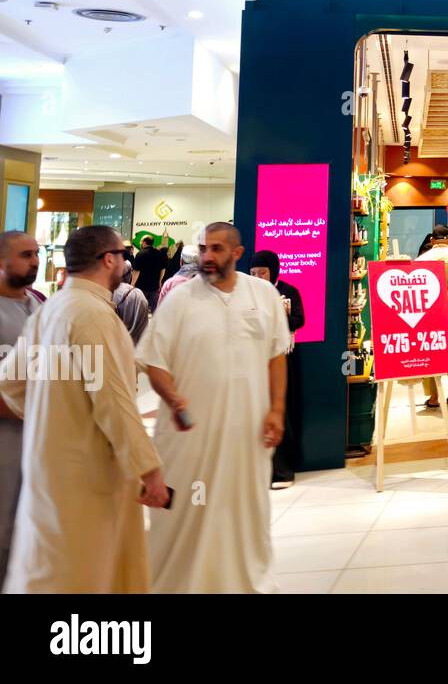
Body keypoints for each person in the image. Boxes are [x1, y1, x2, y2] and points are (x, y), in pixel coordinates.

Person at [0, 226, 168, 593]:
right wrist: (149, 468)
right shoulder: (90, 315)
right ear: (109, 259)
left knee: (50, 566)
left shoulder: (52, 308)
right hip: (88, 474)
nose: (125, 263)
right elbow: (114, 401)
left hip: (51, 466)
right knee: (85, 575)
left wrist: (55, 415)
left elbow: (10, 383)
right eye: (122, 255)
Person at [137, 223, 290, 593]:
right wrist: (173, 399)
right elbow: (153, 359)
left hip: (246, 433)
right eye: (204, 248)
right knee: (189, 512)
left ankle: (243, 582)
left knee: (244, 512)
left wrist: (276, 410)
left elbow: (275, 355)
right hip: (190, 437)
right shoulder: (180, 299)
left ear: (236, 253)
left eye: (217, 249)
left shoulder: (263, 295)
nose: (207, 256)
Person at [0, 231, 42, 584]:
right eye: (26, 255)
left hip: (35, 444)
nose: (35, 261)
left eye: (37, 253)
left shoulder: (39, 307)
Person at [250, 250, 305, 489]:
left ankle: (283, 471)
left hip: (283, 360)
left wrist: (280, 316)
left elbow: (300, 320)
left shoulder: (289, 291)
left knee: (282, 414)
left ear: (274, 270)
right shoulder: (247, 294)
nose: (258, 277)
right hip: (253, 362)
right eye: (253, 273)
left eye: (262, 272)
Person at [418, 225, 448, 414]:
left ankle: (433, 397)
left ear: (432, 240)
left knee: (431, 349)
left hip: (429, 312)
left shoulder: (421, 259)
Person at [112, 260, 151, 345]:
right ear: (130, 274)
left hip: (112, 347)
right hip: (133, 347)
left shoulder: (105, 292)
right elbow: (143, 328)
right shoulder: (138, 295)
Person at [130, 235, 169, 311]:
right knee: (155, 310)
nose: (140, 243)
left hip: (141, 287)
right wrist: (159, 281)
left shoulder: (140, 254)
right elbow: (163, 270)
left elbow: (136, 271)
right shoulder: (159, 254)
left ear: (144, 242)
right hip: (154, 287)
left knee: (140, 310)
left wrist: (132, 285)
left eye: (141, 241)